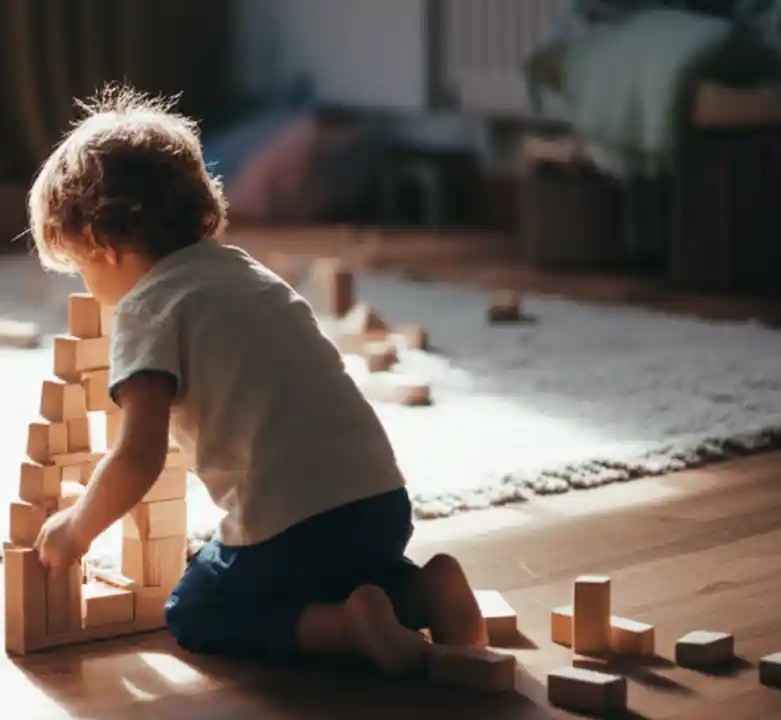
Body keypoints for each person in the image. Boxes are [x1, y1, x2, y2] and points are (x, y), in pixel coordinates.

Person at [30, 85, 486, 672]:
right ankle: (421, 593)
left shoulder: (147, 310)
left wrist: (76, 528)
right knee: (331, 564)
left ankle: (345, 629)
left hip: (292, 531)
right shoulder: (247, 272)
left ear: (104, 244)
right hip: (381, 509)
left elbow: (137, 457)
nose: (86, 287)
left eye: (80, 268)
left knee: (195, 606)